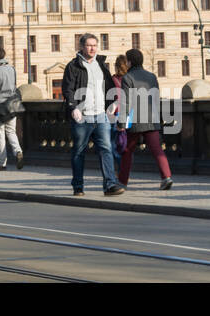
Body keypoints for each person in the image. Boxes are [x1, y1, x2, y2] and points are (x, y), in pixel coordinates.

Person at [62, 33, 124, 196]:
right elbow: (68, 89)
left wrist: (113, 104)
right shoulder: (73, 66)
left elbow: (109, 87)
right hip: (82, 116)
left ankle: (110, 185)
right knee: (79, 151)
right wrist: (73, 107)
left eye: (95, 45)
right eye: (89, 45)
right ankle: (78, 186)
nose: (92, 48)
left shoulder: (101, 65)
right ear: (82, 47)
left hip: (101, 115)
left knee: (106, 149)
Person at [116, 49, 173, 189]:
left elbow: (126, 102)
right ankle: (166, 177)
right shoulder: (152, 76)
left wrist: (121, 122)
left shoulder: (127, 78)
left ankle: (122, 182)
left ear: (129, 62)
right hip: (151, 119)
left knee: (127, 151)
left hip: (135, 121)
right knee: (157, 149)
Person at [111, 54, 130, 166]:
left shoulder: (113, 80)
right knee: (127, 143)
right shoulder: (131, 78)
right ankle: (125, 168)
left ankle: (120, 168)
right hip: (129, 115)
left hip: (116, 114)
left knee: (115, 144)